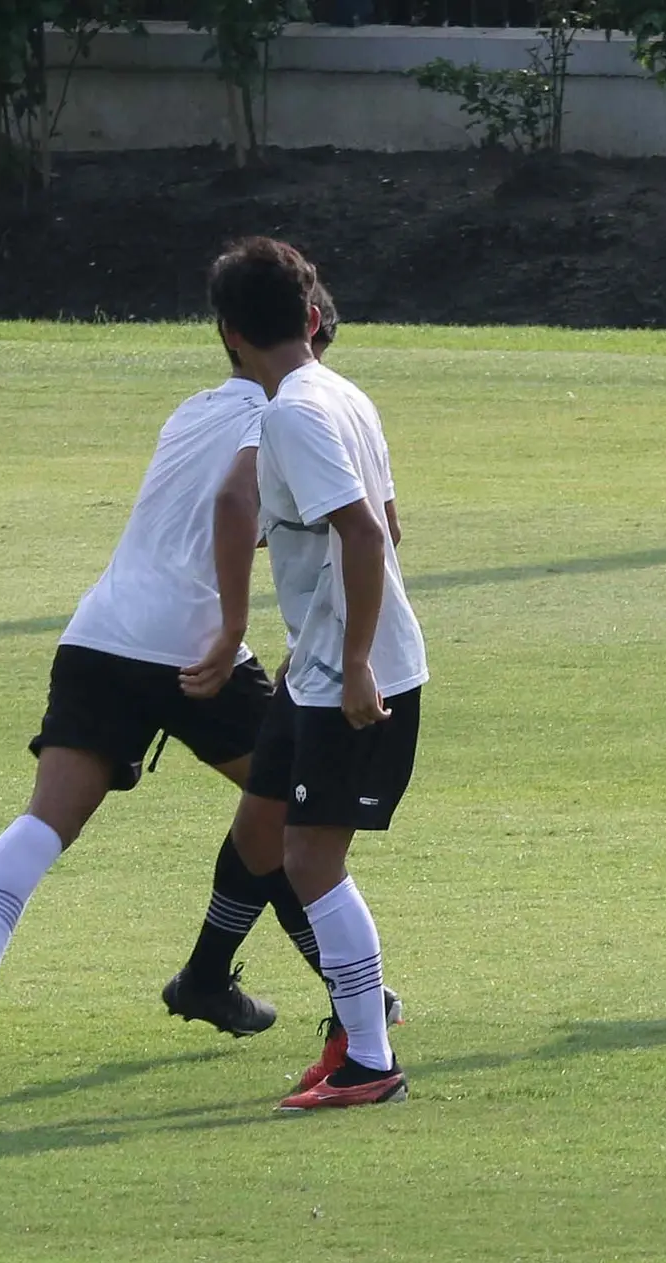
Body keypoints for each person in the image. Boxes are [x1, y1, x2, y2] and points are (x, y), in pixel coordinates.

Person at [0, 281, 329, 1091]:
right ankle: (345, 992)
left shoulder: (190, 410)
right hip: (195, 646)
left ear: (225, 334)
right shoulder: (295, 423)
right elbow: (236, 510)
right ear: (312, 334)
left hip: (101, 633)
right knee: (293, 809)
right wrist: (236, 632)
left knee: (47, 821)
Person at [202, 236, 429, 1113]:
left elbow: (368, 536)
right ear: (310, 315)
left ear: (227, 334)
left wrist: (357, 660)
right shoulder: (344, 395)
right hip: (322, 665)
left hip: (351, 674)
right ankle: (353, 1029)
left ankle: (369, 1057)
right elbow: (391, 526)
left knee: (308, 857)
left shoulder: (292, 414)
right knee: (264, 834)